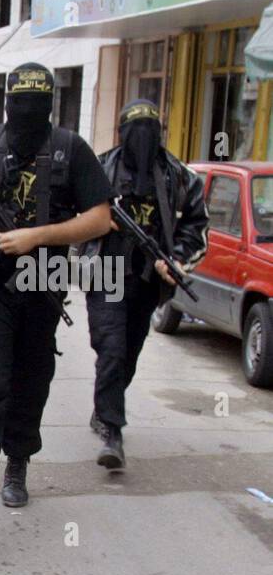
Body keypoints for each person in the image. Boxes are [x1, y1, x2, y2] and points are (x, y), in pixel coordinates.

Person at [0, 63, 112, 540]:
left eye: (36, 104)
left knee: (31, 380)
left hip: (43, 276)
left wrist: (38, 237)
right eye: (18, 102)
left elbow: (100, 218)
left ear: (50, 104)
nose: (25, 113)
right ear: (6, 102)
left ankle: (17, 462)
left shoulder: (71, 149)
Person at [80, 99, 208, 469]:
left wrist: (178, 259)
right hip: (105, 271)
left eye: (149, 132)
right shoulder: (100, 168)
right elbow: (74, 210)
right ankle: (113, 432)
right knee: (112, 348)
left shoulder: (179, 177)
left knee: (128, 354)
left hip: (149, 280)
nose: (142, 139)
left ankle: (106, 407)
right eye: (135, 131)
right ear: (121, 133)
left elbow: (196, 226)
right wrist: (101, 221)